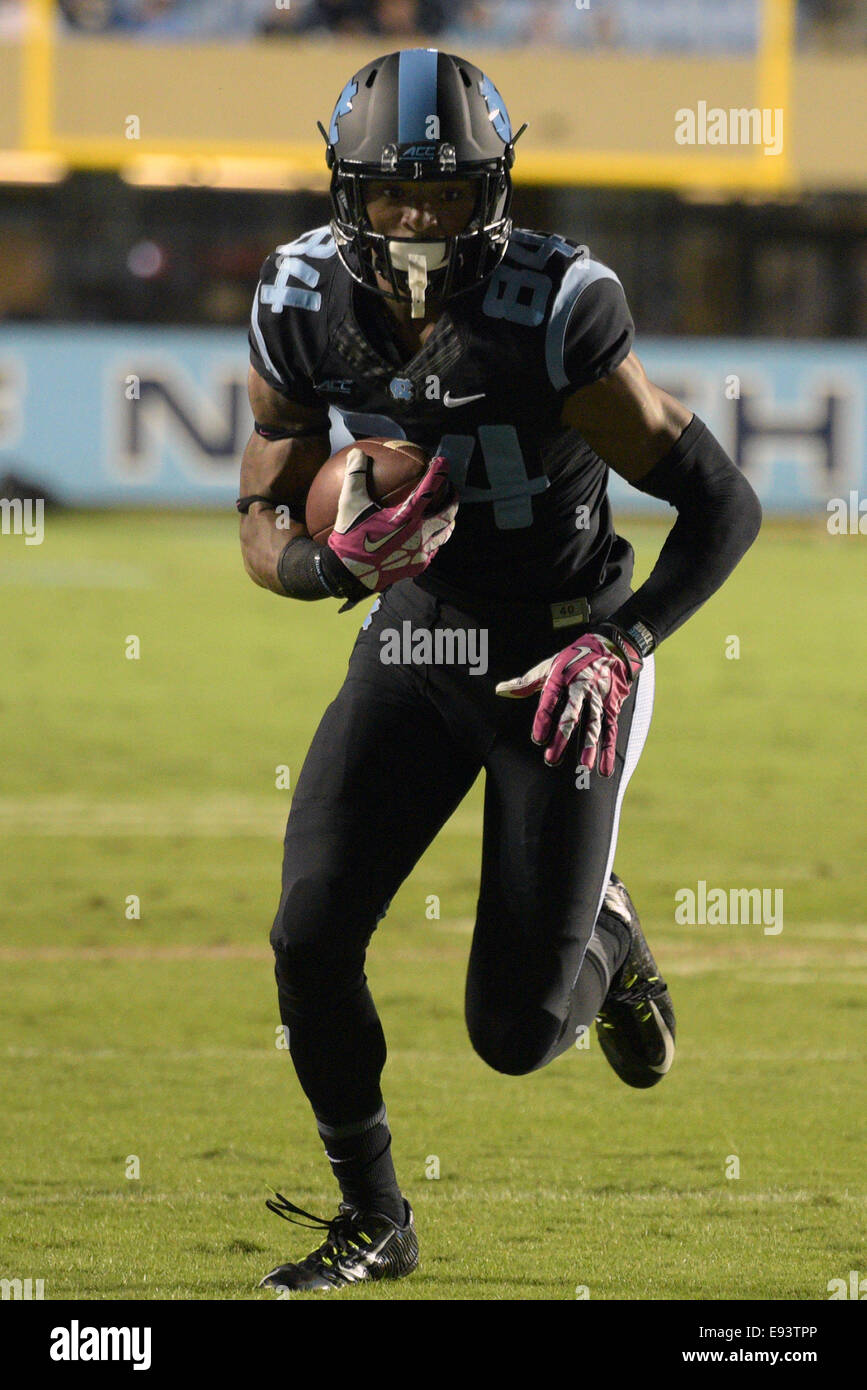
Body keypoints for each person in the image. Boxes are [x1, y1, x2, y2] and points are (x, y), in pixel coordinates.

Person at [237, 47, 762, 1293]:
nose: (420, 222)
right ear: (347, 194)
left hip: (565, 654)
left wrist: (624, 642)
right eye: (395, 194)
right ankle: (376, 1219)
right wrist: (326, 567)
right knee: (309, 934)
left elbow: (723, 504)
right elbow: (262, 514)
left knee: (515, 1035)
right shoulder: (300, 301)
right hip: (422, 637)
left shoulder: (555, 308)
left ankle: (609, 936)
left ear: (494, 195)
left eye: (446, 195)